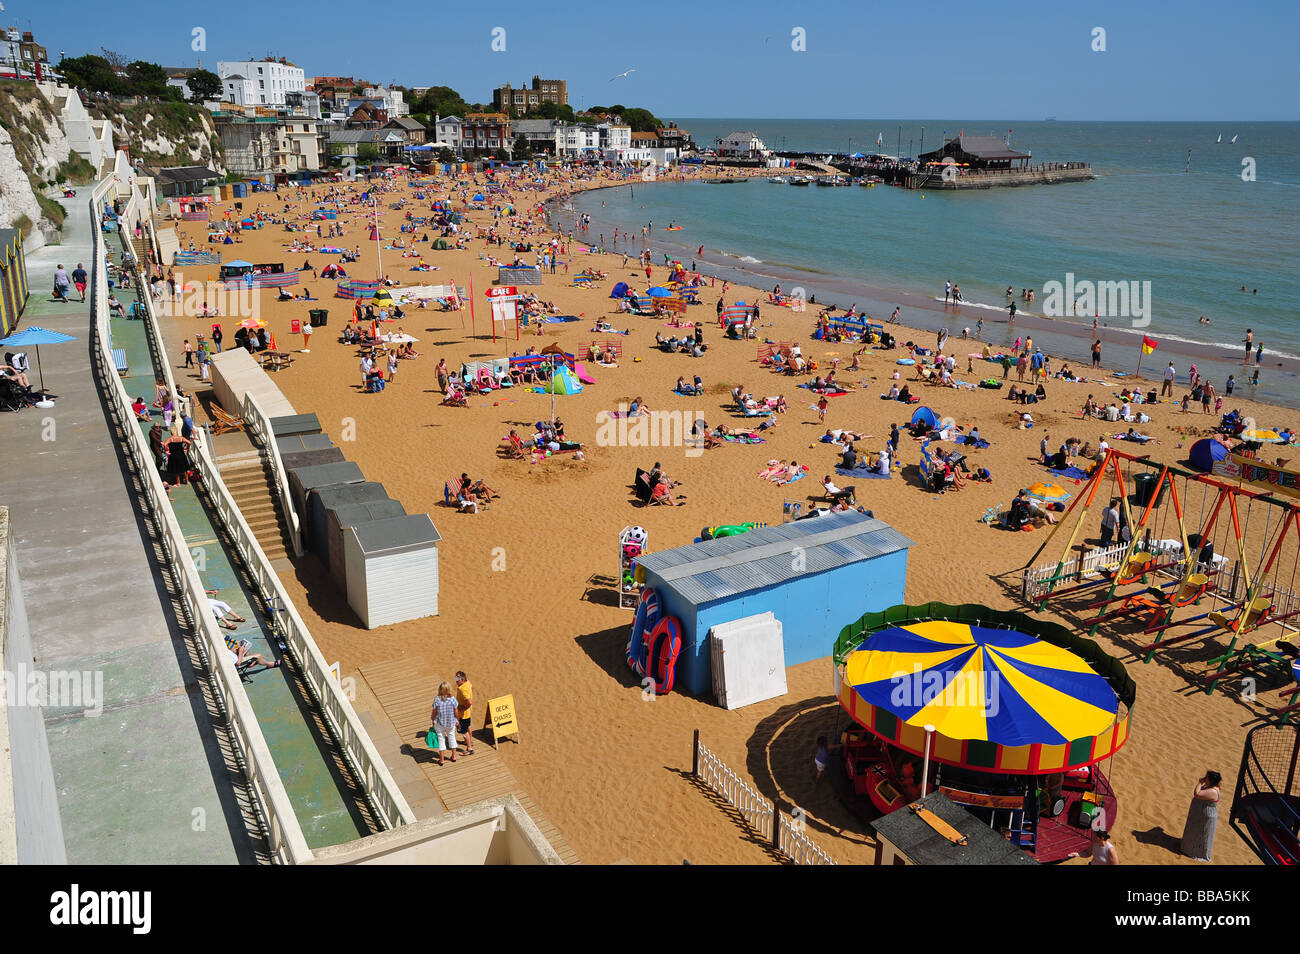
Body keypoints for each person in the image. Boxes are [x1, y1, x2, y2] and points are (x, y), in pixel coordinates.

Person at [1181, 770, 1220, 861]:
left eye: (1207, 777)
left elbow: (1197, 793)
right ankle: (1188, 848)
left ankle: (1195, 852)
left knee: (1200, 833)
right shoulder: (1209, 787)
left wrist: (1200, 782)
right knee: (1194, 831)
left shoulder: (1213, 791)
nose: (1205, 778)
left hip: (1205, 817)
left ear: (1211, 780)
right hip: (1200, 814)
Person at [430, 681, 460, 765]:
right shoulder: (453, 699)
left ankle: (442, 760)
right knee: (452, 737)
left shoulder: (437, 699)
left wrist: (432, 719)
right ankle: (453, 756)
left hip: (439, 723)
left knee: (441, 739)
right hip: (451, 722)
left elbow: (434, 711)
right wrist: (457, 720)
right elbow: (456, 711)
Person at [454, 670, 474, 755]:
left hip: (463, 714)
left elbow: (469, 702)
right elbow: (472, 688)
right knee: (468, 726)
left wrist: (463, 708)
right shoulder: (468, 683)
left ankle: (469, 749)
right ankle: (469, 741)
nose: (456, 681)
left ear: (462, 679)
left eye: (457, 680)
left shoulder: (462, 689)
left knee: (463, 731)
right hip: (468, 713)